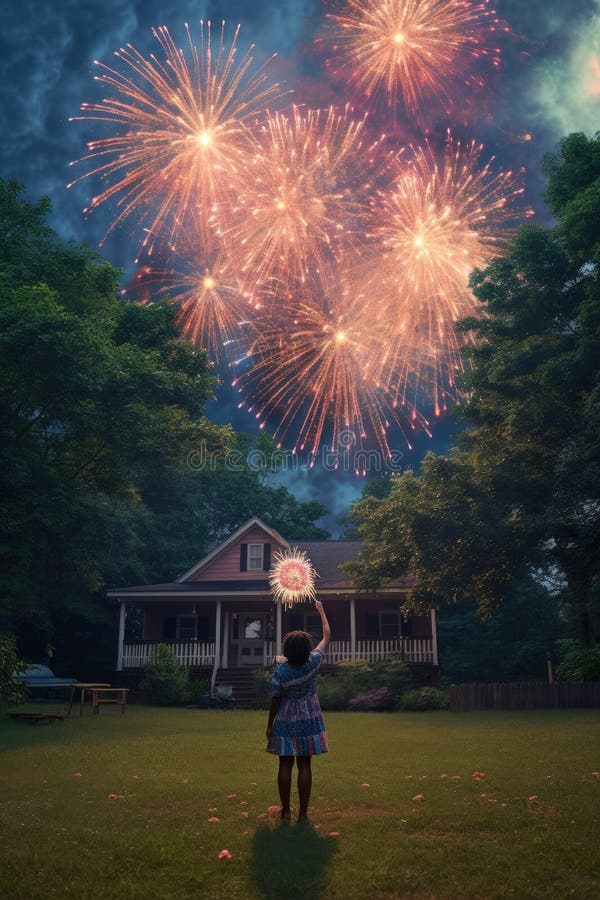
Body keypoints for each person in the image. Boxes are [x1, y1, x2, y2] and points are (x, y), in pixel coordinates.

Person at [266, 599, 331, 822]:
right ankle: (303, 814)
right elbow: (327, 636)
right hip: (309, 718)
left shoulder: (281, 671)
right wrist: (321, 611)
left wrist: (269, 725)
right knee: (305, 764)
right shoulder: (313, 661)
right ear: (306, 649)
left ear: (287, 650)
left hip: (285, 719)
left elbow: (275, 699)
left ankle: (285, 811)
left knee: (285, 764)